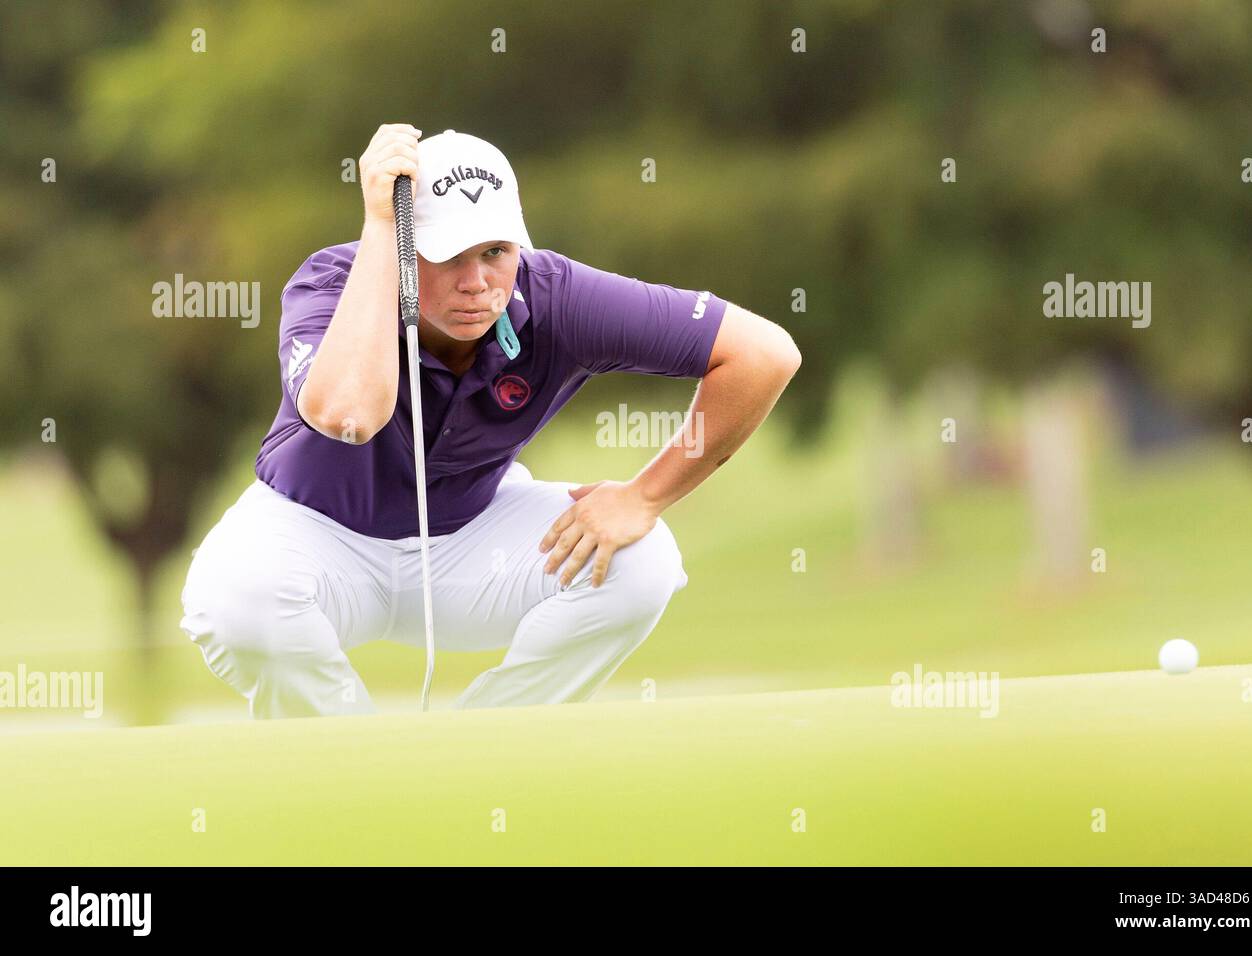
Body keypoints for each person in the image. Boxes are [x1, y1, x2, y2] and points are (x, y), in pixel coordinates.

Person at [179, 125, 801, 718]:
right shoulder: (329, 282)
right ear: (401, 251)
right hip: (315, 536)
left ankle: (477, 752)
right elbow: (349, 417)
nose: (477, 283)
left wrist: (645, 496)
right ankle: (351, 760)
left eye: (496, 252)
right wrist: (377, 224)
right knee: (240, 602)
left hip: (469, 538)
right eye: (447, 255)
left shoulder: (556, 295)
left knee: (643, 563)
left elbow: (764, 354)